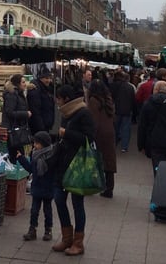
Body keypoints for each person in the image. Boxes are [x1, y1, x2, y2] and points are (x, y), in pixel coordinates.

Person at [50, 84, 95, 256]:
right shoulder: (66, 112)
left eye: (59, 98)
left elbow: (89, 138)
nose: (57, 101)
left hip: (78, 165)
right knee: (59, 199)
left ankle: (78, 243)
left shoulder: (83, 113)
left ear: (66, 99)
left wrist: (66, 133)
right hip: (63, 163)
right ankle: (66, 238)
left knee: (77, 204)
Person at [18, 130, 56, 242]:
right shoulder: (35, 155)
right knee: (34, 210)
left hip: (48, 188)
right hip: (37, 187)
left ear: (43, 144)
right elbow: (31, 169)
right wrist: (21, 158)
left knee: (47, 210)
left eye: (37, 143)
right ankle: (32, 229)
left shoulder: (51, 156)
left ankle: (48, 230)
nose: (34, 145)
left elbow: (55, 172)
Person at [87, 78, 117, 198]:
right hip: (109, 132)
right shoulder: (108, 99)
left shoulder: (94, 100)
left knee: (95, 159)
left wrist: (90, 134)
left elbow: (93, 120)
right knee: (109, 161)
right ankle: (109, 188)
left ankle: (93, 185)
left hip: (99, 133)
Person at [2, 74, 32, 165]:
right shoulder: (12, 95)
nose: (25, 84)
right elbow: (10, 112)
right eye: (23, 82)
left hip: (19, 129)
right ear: (17, 84)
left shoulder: (19, 93)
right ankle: (15, 173)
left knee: (19, 153)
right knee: (15, 154)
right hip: (13, 130)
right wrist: (25, 114)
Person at [109, 70, 136, 153]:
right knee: (126, 128)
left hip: (116, 110)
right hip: (127, 110)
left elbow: (110, 98)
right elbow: (133, 100)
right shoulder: (130, 87)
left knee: (115, 128)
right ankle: (124, 147)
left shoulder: (113, 86)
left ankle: (114, 143)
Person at [28, 66, 56, 135]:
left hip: (45, 125)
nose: (49, 80)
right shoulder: (36, 89)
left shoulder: (46, 88)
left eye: (50, 78)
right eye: (46, 78)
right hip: (39, 127)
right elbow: (35, 110)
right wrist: (41, 127)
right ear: (40, 78)